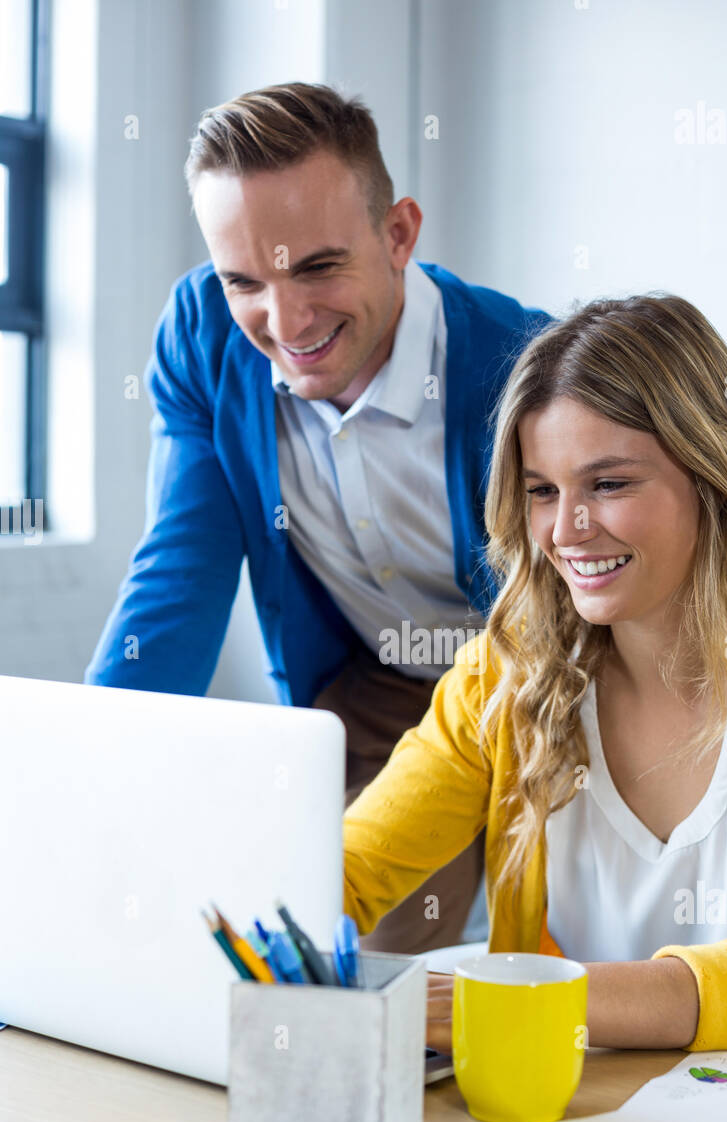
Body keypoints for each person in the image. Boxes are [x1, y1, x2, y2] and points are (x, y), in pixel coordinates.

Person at [84, 83, 549, 954]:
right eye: (244, 280)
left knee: (563, 962)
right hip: (376, 693)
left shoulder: (525, 364)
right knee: (331, 959)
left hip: (551, 684)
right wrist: (98, 772)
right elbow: (178, 575)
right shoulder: (202, 335)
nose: (286, 321)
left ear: (399, 233)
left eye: (318, 267)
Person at [342, 292, 727, 1052]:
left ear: (712, 476)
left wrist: (524, 1002)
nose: (568, 530)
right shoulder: (505, 676)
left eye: (610, 484)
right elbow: (355, 867)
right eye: (542, 492)